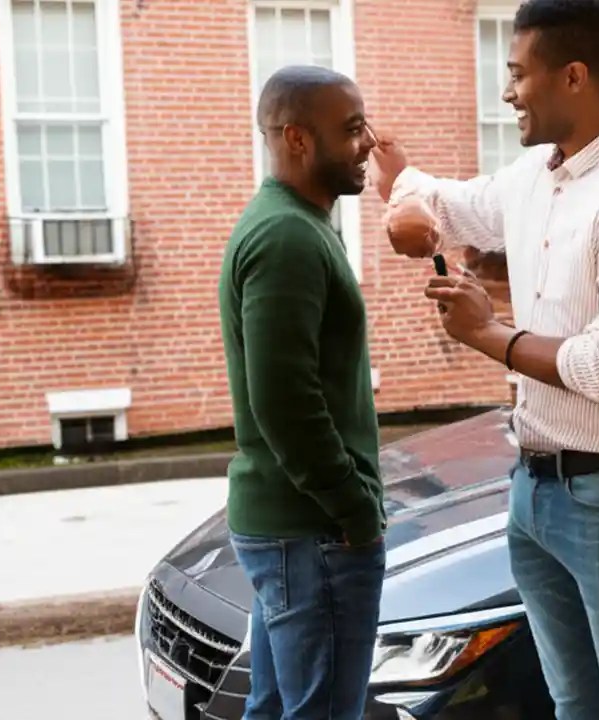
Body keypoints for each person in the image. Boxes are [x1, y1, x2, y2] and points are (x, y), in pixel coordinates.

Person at [369, 0, 599, 717]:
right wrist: (401, 185)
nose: (507, 93)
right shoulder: (535, 175)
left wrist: (488, 334)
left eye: (517, 73)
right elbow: (452, 206)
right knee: (575, 707)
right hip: (535, 492)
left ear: (573, 77)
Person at [217, 65, 387, 720]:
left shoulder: (298, 224)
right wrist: (353, 509)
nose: (368, 142)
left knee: (271, 710)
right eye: (352, 129)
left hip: (297, 531)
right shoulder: (286, 236)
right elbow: (284, 401)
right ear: (297, 138)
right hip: (313, 533)